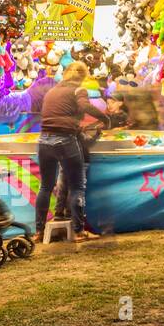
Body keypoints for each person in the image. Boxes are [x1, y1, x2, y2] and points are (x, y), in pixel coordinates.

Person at [35, 62, 109, 241]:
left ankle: (38, 232)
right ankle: (78, 232)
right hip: (65, 140)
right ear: (83, 76)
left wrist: (75, 126)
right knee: (77, 187)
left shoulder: (52, 91)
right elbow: (84, 107)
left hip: (44, 140)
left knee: (45, 187)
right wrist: (105, 118)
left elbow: (55, 115)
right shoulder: (78, 90)